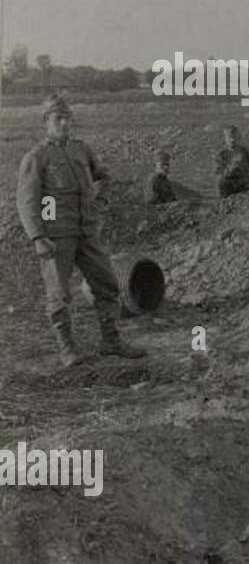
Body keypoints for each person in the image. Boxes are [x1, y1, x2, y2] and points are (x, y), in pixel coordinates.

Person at [16, 94, 147, 367]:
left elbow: (103, 176)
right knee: (59, 294)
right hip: (56, 237)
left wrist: (100, 202)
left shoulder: (81, 150)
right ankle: (67, 350)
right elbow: (27, 201)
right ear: (46, 122)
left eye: (68, 119)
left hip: (87, 232)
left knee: (107, 284)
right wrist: (39, 236)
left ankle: (111, 341)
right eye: (58, 119)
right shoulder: (37, 157)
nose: (64, 124)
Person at [215, 125, 249, 196]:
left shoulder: (243, 151)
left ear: (238, 137)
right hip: (230, 185)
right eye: (230, 137)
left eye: (234, 137)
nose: (232, 140)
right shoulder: (221, 154)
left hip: (245, 184)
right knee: (223, 182)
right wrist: (233, 166)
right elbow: (220, 173)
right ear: (225, 139)